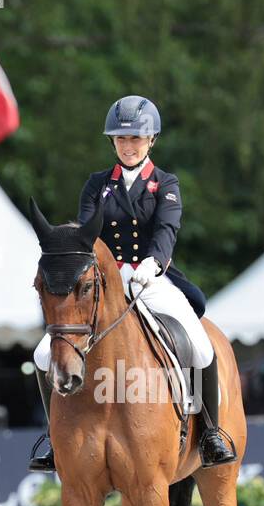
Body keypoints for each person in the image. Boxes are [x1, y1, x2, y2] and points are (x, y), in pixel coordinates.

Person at [29, 95, 235, 470]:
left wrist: (152, 264)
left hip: (151, 279)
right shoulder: (96, 185)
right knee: (43, 353)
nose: (128, 146)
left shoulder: (165, 184)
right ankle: (53, 438)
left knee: (200, 344)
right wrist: (106, 272)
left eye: (136, 139)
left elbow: (166, 229)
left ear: (151, 140)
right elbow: (88, 232)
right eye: (122, 140)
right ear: (113, 142)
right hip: (106, 283)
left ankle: (210, 433)